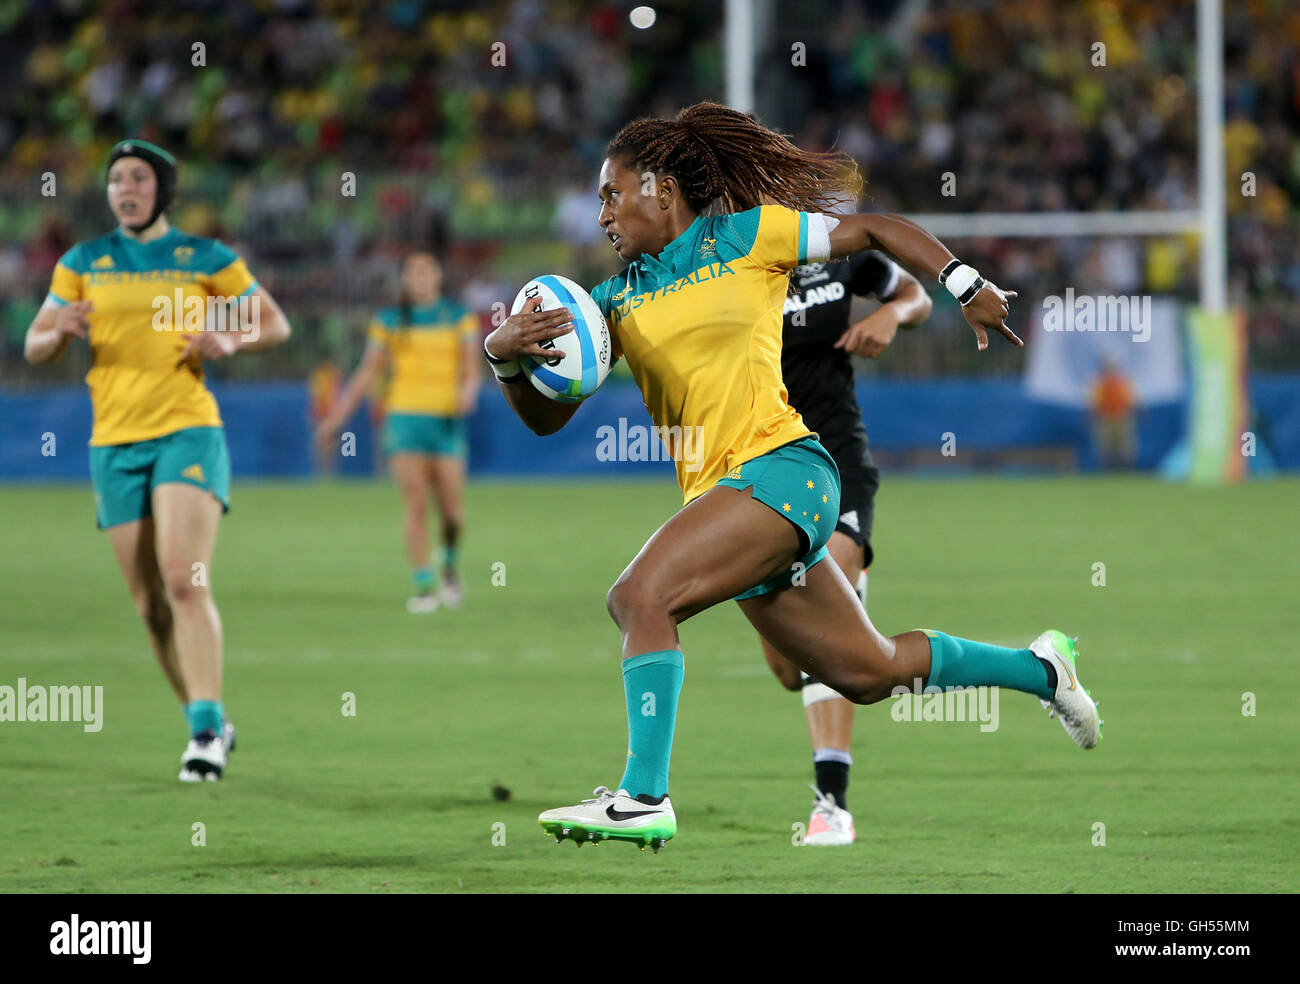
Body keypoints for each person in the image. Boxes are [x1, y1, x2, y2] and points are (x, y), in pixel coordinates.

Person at [484, 102, 1101, 851]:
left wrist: (961, 281)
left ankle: (644, 796)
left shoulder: (747, 237)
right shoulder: (612, 304)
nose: (603, 212)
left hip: (787, 473)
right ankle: (1043, 668)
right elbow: (547, 421)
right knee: (868, 673)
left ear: (661, 190)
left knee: (639, 597)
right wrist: (508, 359)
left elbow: (876, 230)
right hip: (736, 502)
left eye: (613, 193)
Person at [23, 139, 292, 781]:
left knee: (182, 578)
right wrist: (57, 331)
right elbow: (34, 345)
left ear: (161, 190)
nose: (126, 188)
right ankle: (208, 721)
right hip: (113, 443)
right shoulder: (83, 261)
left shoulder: (203, 257)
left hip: (186, 431)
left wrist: (230, 336)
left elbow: (274, 324)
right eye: (116, 179)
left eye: (139, 177)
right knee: (149, 604)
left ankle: (202, 731)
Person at [761, 250, 932, 846]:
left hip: (836, 460)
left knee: (824, 625)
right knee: (789, 664)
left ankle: (831, 805)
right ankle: (849, 603)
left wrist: (893, 314)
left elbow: (915, 294)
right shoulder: (726, 263)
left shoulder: (834, 255)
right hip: (760, 472)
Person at [316, 252, 480, 612]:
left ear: (438, 275)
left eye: (427, 270)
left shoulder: (458, 317)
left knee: (453, 513)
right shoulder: (389, 320)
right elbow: (367, 373)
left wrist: (468, 392)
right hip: (404, 418)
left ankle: (448, 564)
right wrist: (338, 418)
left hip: (446, 420)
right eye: (414, 272)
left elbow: (472, 369)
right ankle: (424, 586)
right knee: (416, 504)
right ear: (405, 279)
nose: (421, 278)